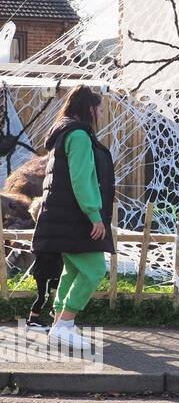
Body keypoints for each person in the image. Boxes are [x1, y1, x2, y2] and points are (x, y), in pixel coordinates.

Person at [31, 86, 116, 354]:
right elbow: (81, 179)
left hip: (60, 216)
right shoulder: (78, 136)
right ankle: (64, 326)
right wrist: (95, 215)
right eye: (99, 109)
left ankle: (60, 325)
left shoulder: (63, 133)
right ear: (89, 109)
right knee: (93, 270)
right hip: (75, 217)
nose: (101, 113)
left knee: (73, 270)